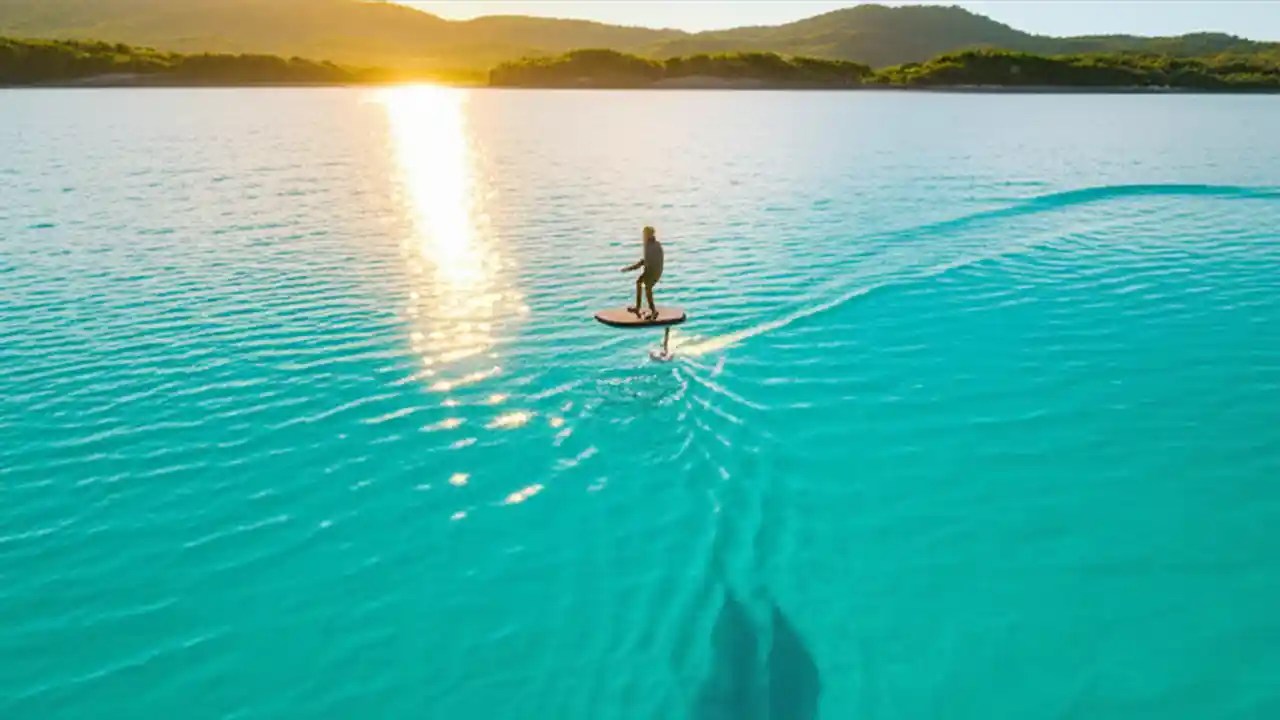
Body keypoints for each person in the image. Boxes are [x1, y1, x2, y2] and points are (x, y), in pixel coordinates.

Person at [621, 226, 664, 319]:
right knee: (639, 282)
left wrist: (630, 268)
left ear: (649, 235)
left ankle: (654, 311)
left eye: (644, 234)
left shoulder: (653, 245)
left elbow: (645, 262)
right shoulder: (649, 244)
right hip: (650, 270)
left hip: (654, 270)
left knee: (648, 288)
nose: (643, 236)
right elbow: (645, 261)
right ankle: (637, 307)